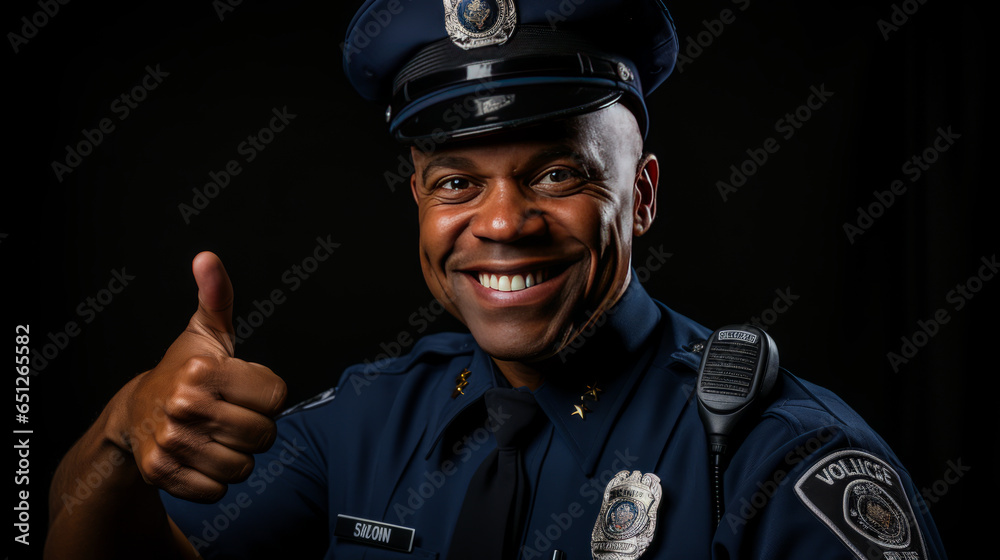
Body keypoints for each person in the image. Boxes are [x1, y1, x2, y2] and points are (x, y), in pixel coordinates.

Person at [45, 1, 948, 559]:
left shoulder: (778, 463)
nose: (504, 222)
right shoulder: (361, 427)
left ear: (640, 197)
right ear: (418, 201)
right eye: (457, 181)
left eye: (559, 173)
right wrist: (122, 434)